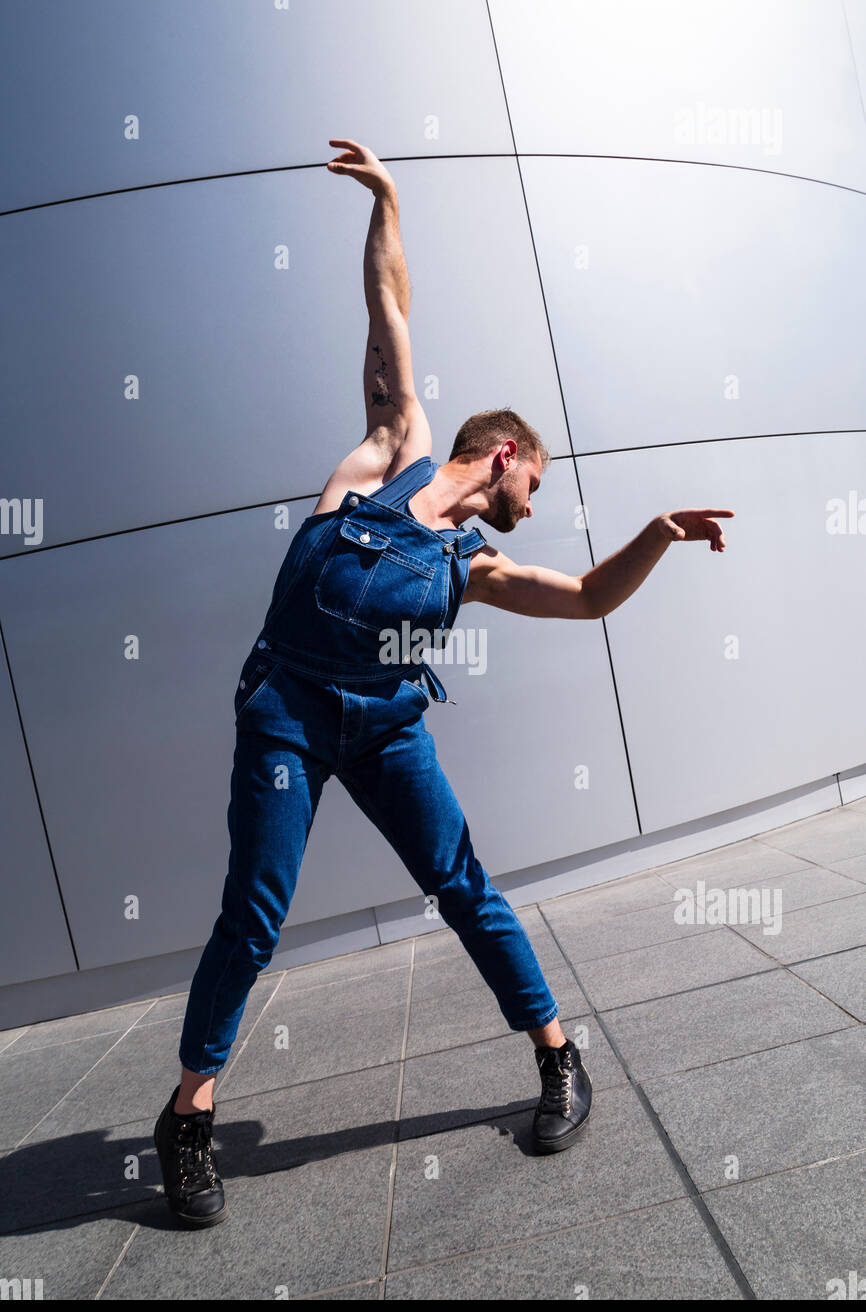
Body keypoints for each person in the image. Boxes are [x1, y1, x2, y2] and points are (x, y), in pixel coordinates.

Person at [154, 139, 734, 1227]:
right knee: (254, 915)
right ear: (505, 452)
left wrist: (654, 534)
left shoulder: (475, 565)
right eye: (538, 480)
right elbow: (388, 304)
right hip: (284, 714)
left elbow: (583, 597)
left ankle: (559, 1056)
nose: (534, 502)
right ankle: (188, 1114)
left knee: (463, 882)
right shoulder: (392, 450)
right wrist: (387, 197)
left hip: (384, 727)